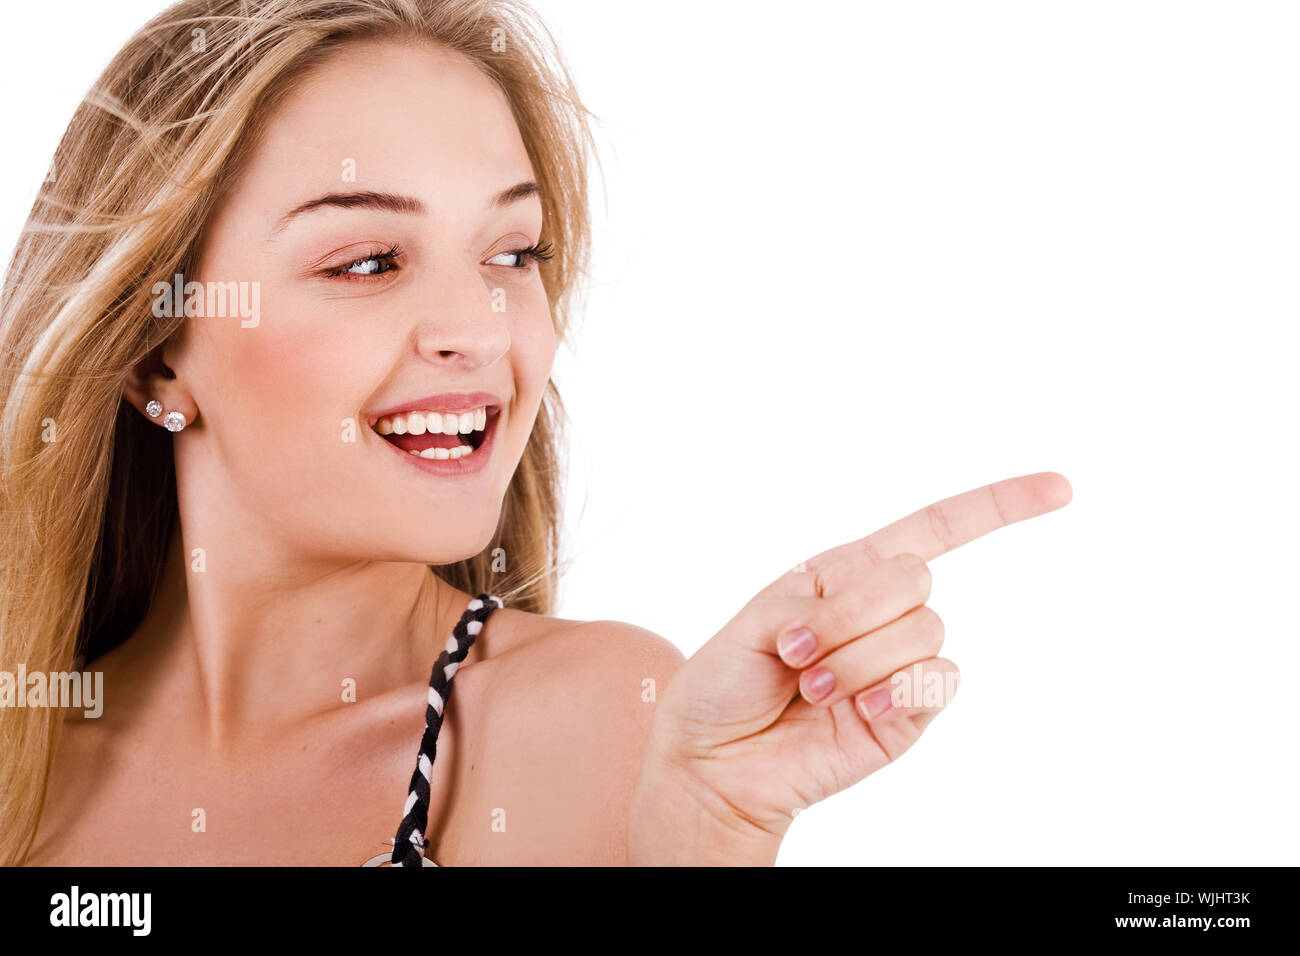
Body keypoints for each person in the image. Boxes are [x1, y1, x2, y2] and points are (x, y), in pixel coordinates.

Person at [0, 0, 1071, 866]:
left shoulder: (605, 724)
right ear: (153, 351)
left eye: (513, 252)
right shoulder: (21, 757)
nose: (482, 328)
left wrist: (704, 847)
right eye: (367, 262)